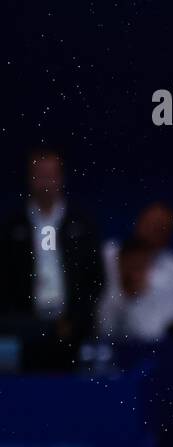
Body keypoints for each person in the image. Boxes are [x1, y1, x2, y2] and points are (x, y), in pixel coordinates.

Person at [0, 148, 102, 371]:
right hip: (26, 329)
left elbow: (96, 278)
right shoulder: (11, 227)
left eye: (51, 175)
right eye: (39, 175)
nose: (45, 182)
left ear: (61, 179)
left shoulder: (82, 225)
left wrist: (75, 318)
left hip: (74, 328)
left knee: (75, 392)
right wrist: (22, 321)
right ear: (29, 179)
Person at [99, 203, 173, 343]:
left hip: (149, 346)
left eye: (161, 227)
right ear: (138, 222)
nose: (152, 230)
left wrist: (136, 298)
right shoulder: (107, 254)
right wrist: (123, 295)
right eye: (150, 223)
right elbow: (102, 325)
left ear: (169, 233)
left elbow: (165, 324)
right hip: (103, 340)